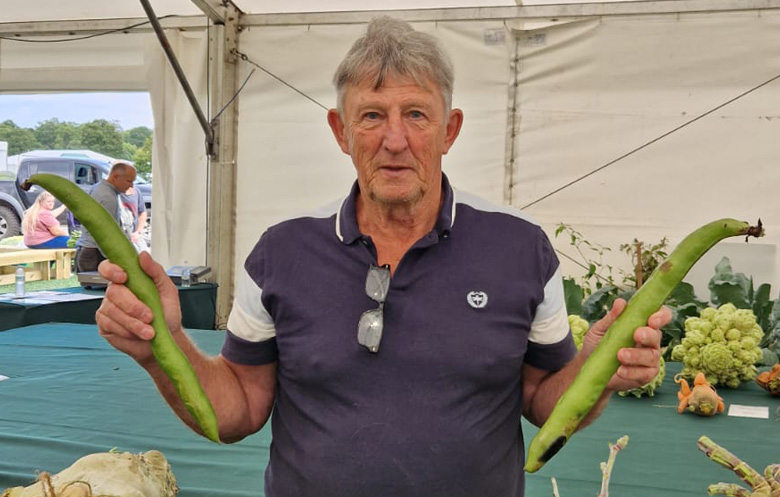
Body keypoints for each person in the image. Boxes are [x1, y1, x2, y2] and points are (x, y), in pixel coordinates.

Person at [94, 17, 670, 497]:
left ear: (450, 129)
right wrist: (160, 347)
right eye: (372, 116)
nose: (395, 140)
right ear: (341, 131)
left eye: (416, 114)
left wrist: (598, 370)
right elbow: (237, 409)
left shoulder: (521, 249)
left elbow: (545, 402)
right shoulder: (281, 253)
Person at [75, 160, 137, 279]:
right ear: (115, 177)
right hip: (95, 254)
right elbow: (106, 233)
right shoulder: (108, 198)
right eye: (129, 181)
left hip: (87, 250)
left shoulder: (97, 188)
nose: (131, 186)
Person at [121, 185, 149, 253]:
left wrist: (138, 232)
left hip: (133, 236)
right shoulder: (113, 192)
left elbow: (142, 212)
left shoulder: (136, 191)